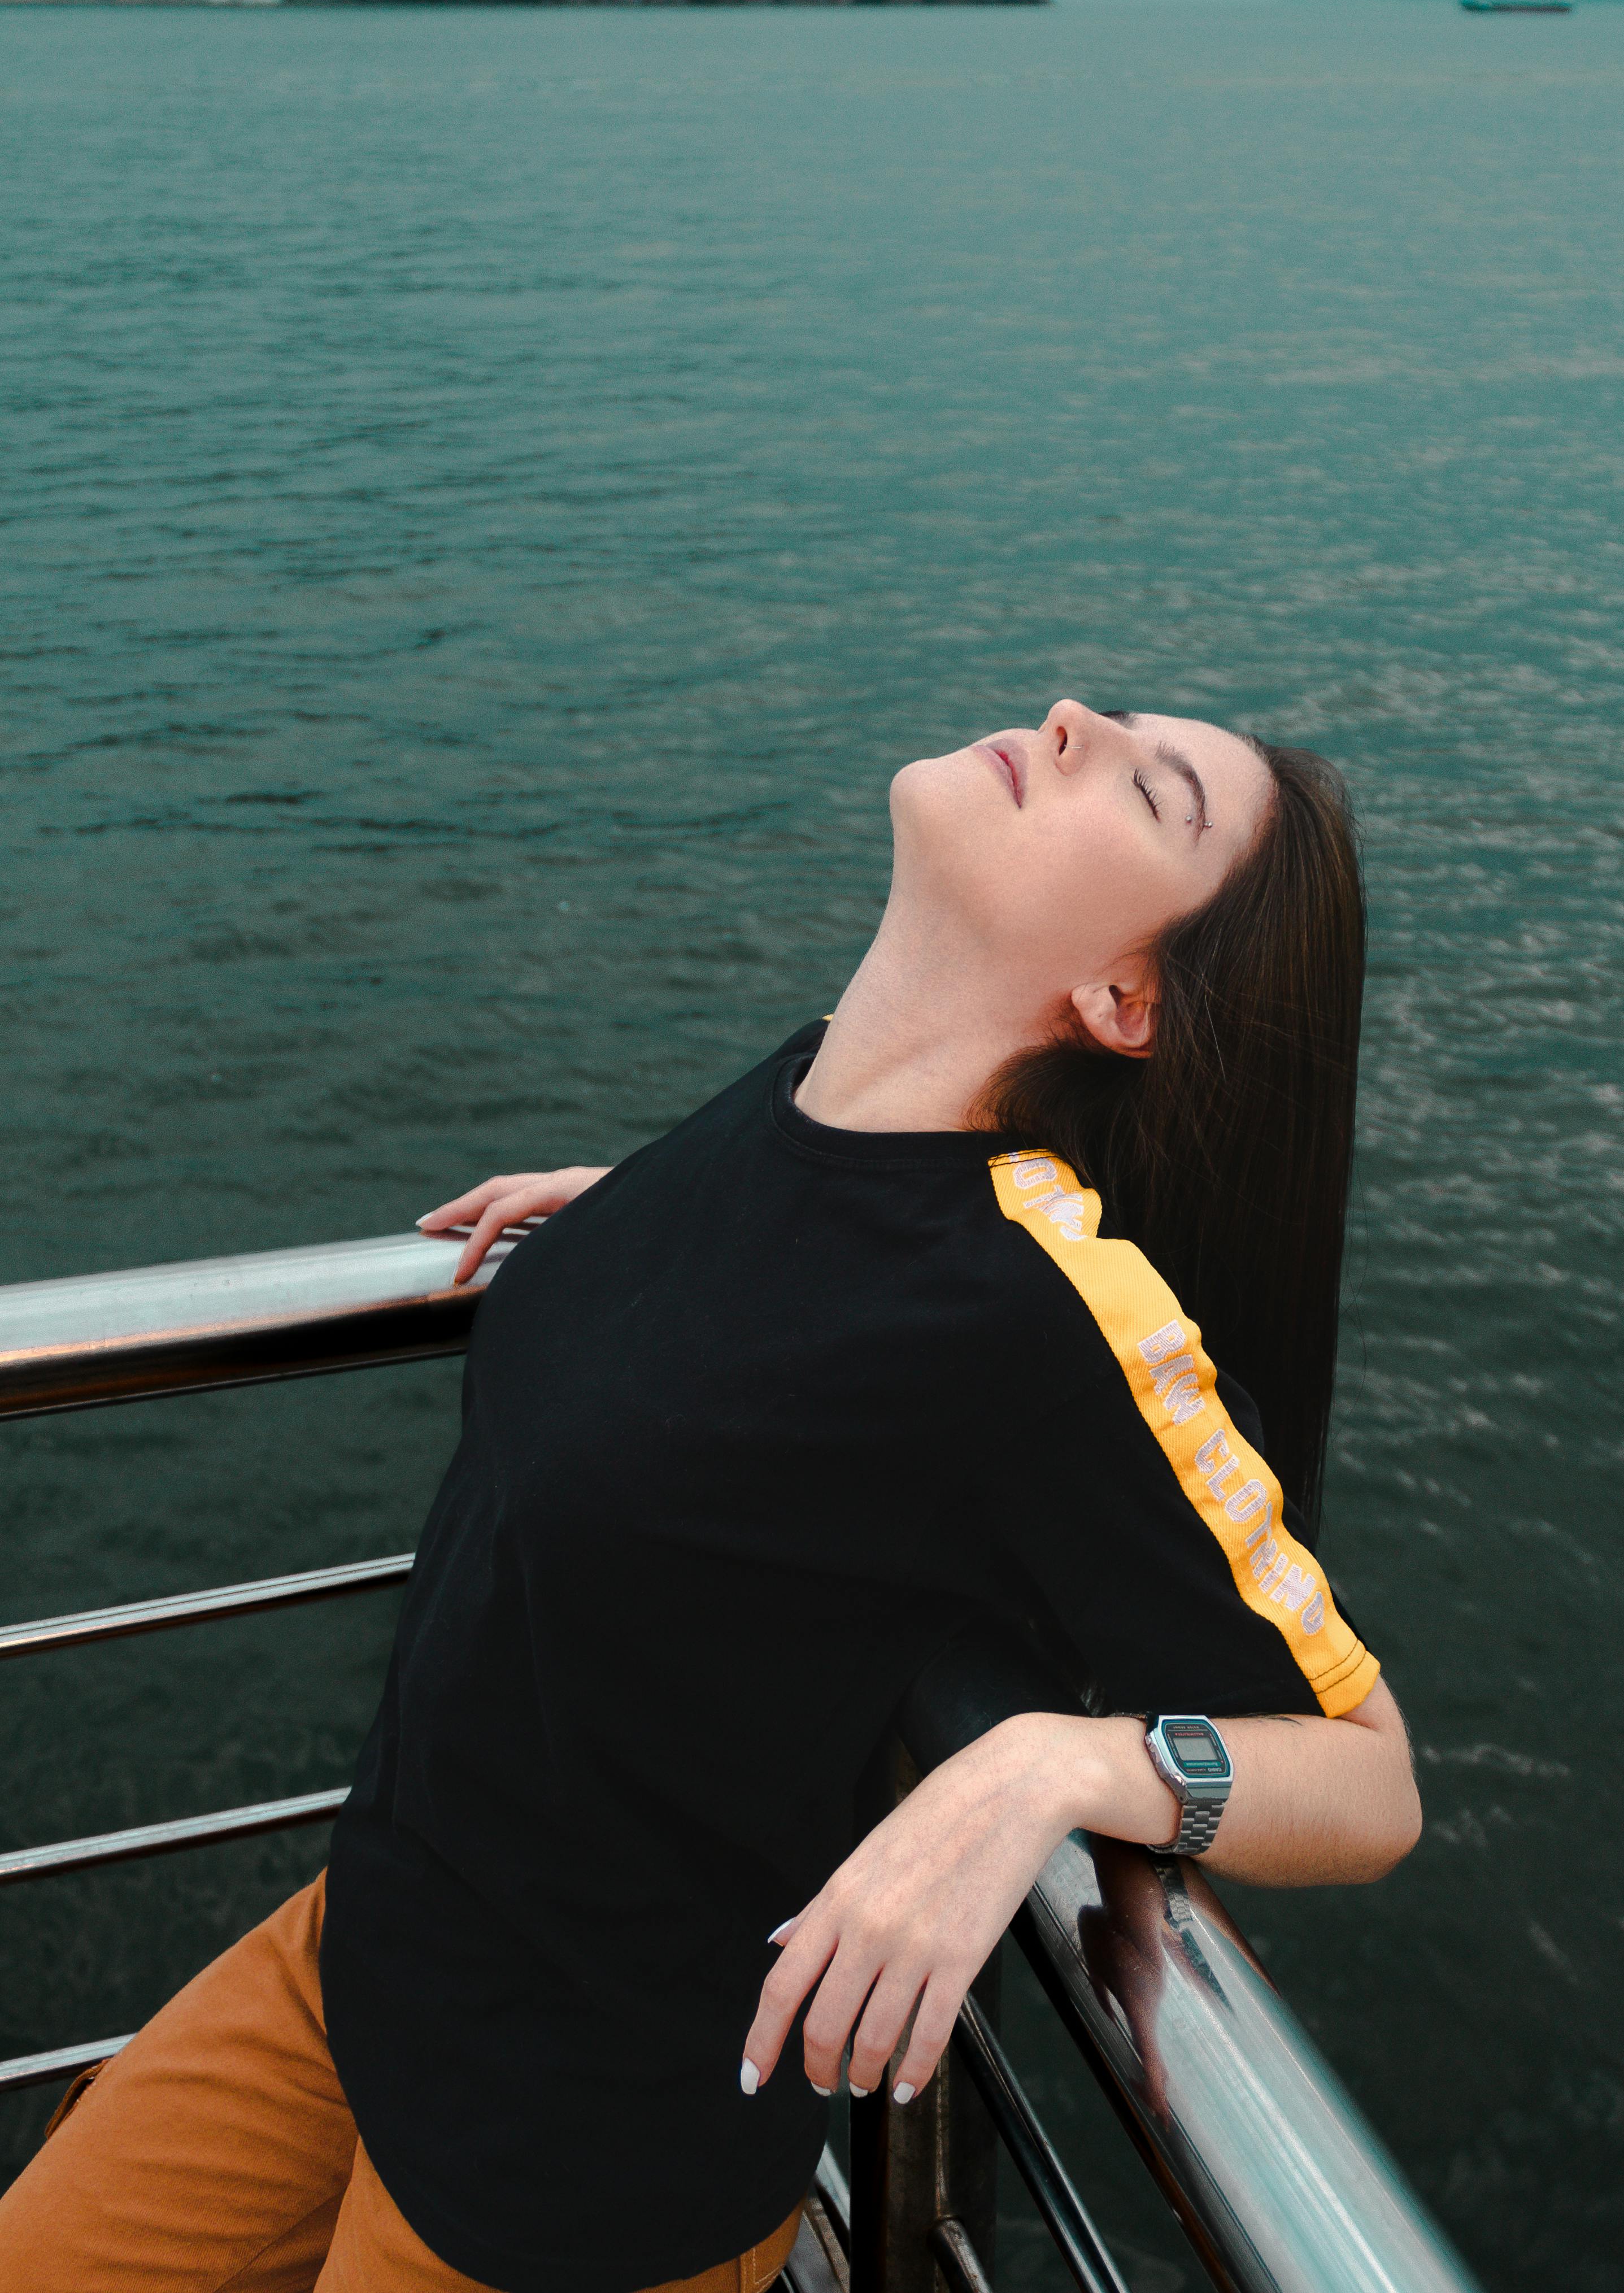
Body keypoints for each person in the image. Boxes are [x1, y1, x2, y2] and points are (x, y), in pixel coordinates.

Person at [0, 699, 1422, 2293]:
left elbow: (1372, 1781)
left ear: (1123, 998)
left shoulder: (1046, 1313)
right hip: (366, 1954)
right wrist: (625, 1233)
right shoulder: (820, 1082)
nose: (1073, 716)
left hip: (577, 2160)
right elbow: (806, 1307)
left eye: (1153, 793)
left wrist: (1057, 1765)